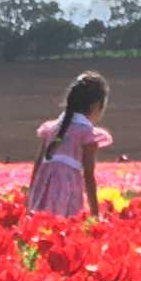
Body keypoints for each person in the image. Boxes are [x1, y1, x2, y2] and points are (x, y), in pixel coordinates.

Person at [26, 72, 112, 219]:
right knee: (63, 227)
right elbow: (89, 175)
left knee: (42, 226)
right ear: (96, 105)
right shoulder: (87, 133)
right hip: (67, 188)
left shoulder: (51, 128)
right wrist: (95, 214)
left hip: (43, 187)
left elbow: (38, 165)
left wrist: (30, 198)